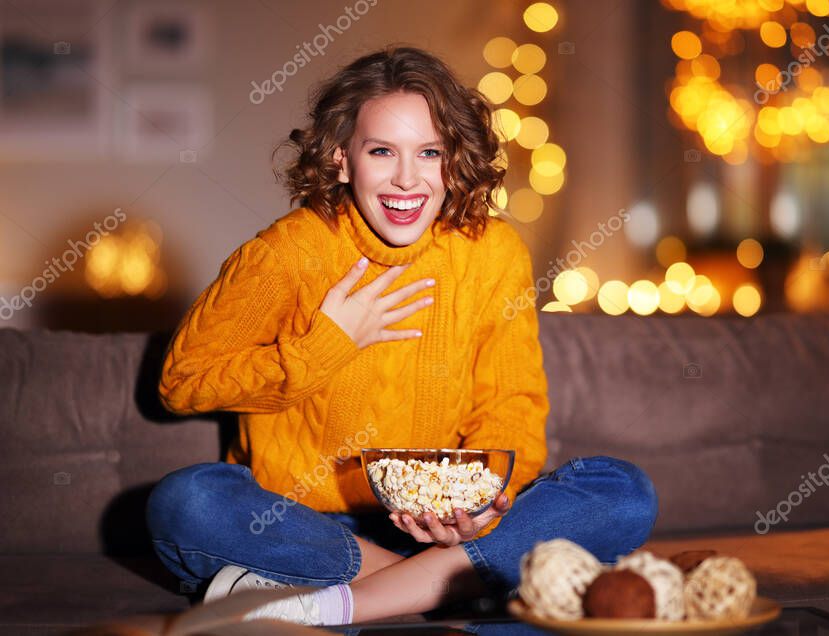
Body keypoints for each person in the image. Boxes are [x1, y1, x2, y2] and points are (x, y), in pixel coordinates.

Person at [145, 45, 657, 627]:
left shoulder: (493, 254)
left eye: (430, 152)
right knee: (188, 502)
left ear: (454, 157)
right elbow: (180, 381)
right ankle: (454, 591)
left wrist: (478, 507)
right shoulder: (286, 255)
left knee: (623, 491)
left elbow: (511, 405)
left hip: (449, 530)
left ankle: (342, 602)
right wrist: (327, 343)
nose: (408, 179)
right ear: (342, 159)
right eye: (382, 151)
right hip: (306, 526)